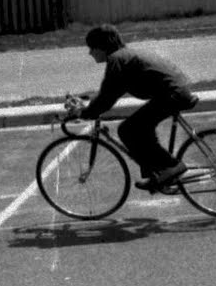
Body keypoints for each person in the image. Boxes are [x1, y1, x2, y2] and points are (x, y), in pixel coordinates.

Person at [68, 24, 198, 190]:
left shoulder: (117, 59)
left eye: (91, 48)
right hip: (175, 92)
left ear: (101, 46)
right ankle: (156, 174)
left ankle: (171, 167)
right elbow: (110, 90)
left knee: (128, 130)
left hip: (172, 95)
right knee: (141, 128)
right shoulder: (124, 56)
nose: (90, 53)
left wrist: (85, 113)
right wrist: (87, 103)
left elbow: (108, 97)